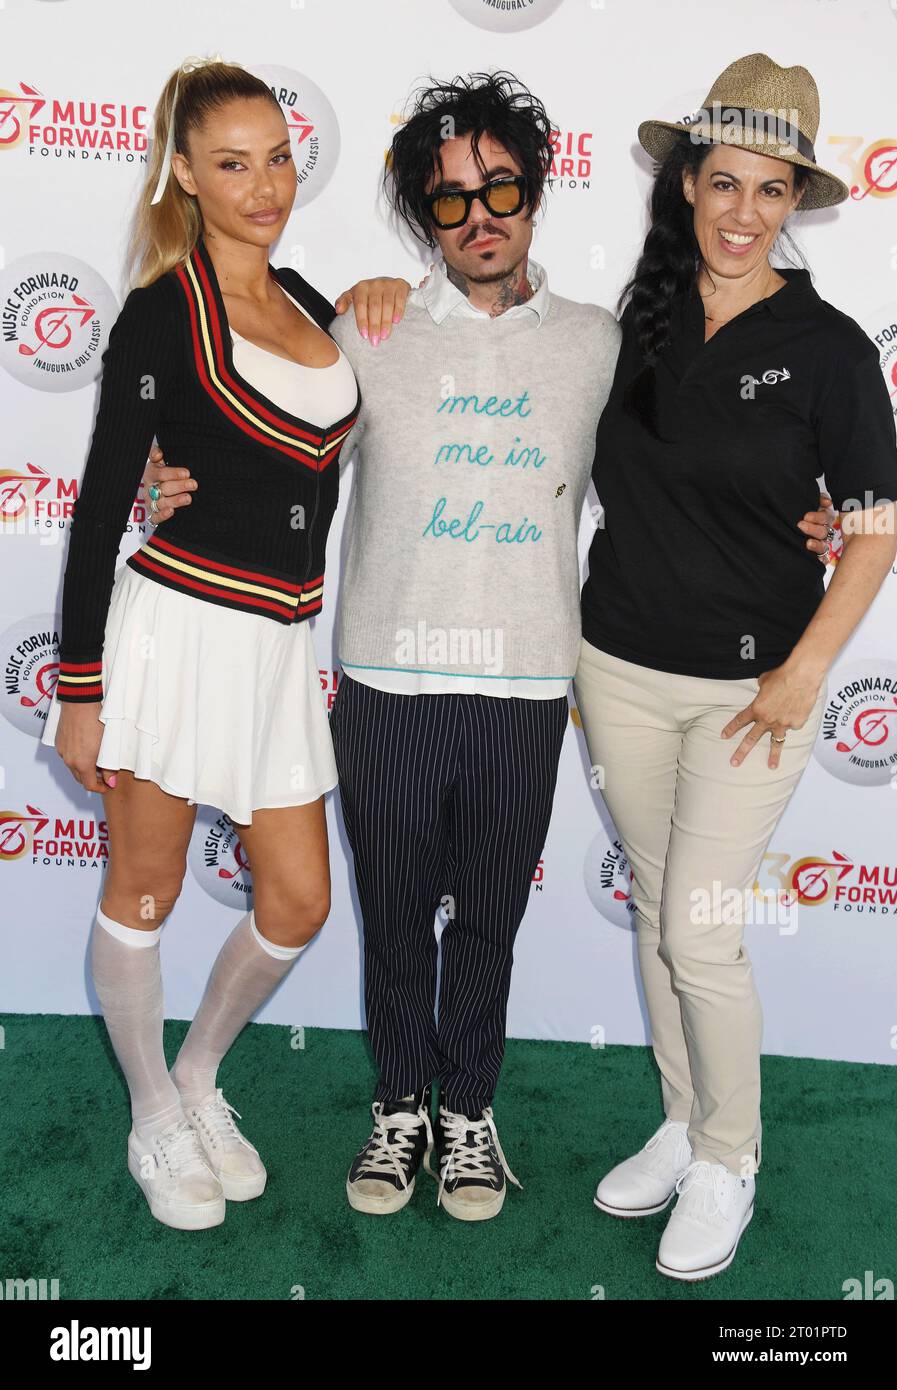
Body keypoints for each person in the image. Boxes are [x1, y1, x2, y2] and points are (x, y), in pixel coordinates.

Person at [143, 68, 836, 1226]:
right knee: (397, 910)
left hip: (527, 687)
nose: (480, 218)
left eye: (500, 188)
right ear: (423, 215)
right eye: (450, 200)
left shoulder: (604, 344)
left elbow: (696, 466)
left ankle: (470, 1107)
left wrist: (808, 516)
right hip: (386, 684)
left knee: (491, 924)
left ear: (534, 193)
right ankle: (399, 1102)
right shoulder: (365, 329)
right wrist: (168, 478)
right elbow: (260, 431)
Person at [572, 53, 897, 1281]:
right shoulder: (632, 330)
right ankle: (680, 1119)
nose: (744, 212)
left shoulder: (826, 346)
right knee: (663, 913)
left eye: (771, 190)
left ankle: (731, 1157)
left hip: (756, 693)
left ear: (794, 203)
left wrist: (810, 669)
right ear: (688, 188)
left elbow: (874, 521)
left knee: (703, 929)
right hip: (617, 671)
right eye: (724, 183)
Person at [41, 57, 359, 1230]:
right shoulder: (159, 311)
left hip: (279, 649)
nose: (264, 184)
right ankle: (148, 1112)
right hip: (175, 634)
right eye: (232, 163)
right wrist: (80, 690)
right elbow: (96, 504)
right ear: (185, 173)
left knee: (299, 898)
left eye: (278, 157)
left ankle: (198, 1075)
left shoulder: (318, 303)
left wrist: (379, 296)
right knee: (146, 883)